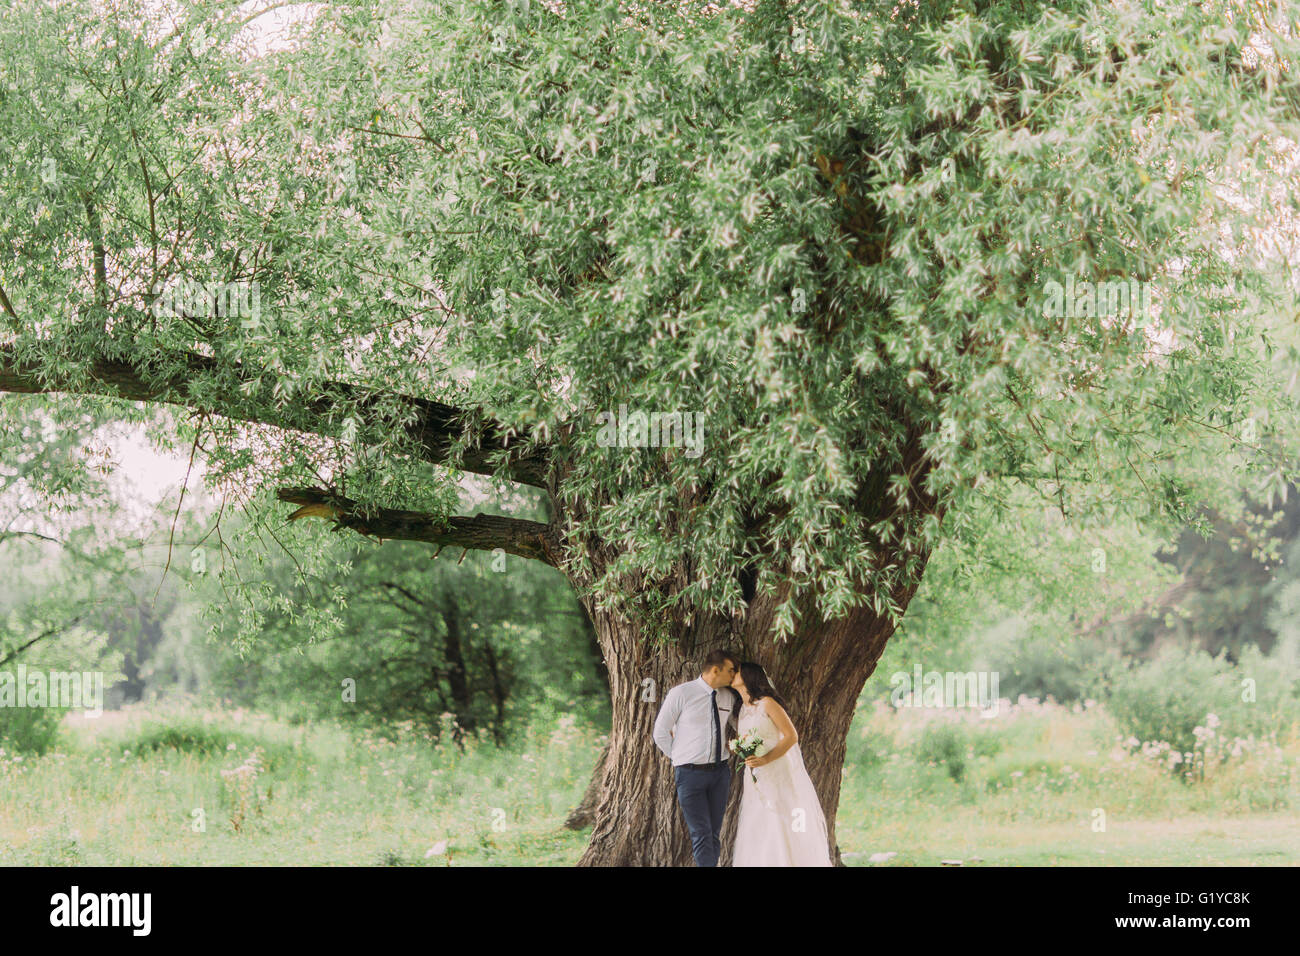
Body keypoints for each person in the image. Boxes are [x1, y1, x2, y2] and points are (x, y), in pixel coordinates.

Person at [730, 661, 831, 866]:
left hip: (775, 769)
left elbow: (791, 736)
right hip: (755, 775)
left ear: (749, 676)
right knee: (759, 821)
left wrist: (767, 758)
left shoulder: (767, 703)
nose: (733, 674)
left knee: (779, 819)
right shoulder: (741, 710)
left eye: (737, 671)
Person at [651, 650, 740, 867]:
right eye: (731, 670)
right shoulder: (681, 693)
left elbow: (739, 726)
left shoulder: (727, 696)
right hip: (690, 775)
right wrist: (680, 757)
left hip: (720, 773)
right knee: (700, 832)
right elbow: (660, 732)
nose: (734, 675)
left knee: (713, 833)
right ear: (715, 669)